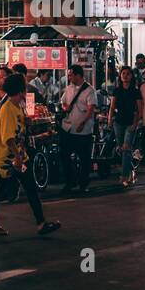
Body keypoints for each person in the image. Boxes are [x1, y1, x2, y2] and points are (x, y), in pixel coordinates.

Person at [0, 73, 60, 238]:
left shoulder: (17, 106)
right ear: (20, 90)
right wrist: (18, 158)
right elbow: (8, 138)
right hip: (6, 159)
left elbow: (18, 131)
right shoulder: (7, 109)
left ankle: (41, 223)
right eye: (24, 86)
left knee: (31, 189)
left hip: (19, 157)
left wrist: (26, 124)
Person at [59, 63, 98, 195]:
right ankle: (70, 181)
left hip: (83, 130)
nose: (69, 77)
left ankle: (83, 184)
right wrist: (65, 107)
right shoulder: (69, 88)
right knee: (64, 155)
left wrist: (83, 122)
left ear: (78, 75)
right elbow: (63, 102)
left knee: (84, 159)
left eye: (71, 75)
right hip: (68, 128)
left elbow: (91, 109)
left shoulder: (89, 90)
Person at [107, 65, 141, 187]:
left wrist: (135, 124)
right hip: (118, 122)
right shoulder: (117, 90)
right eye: (123, 74)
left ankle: (124, 176)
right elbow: (112, 107)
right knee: (122, 149)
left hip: (130, 122)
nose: (125, 76)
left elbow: (139, 110)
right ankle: (131, 170)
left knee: (126, 147)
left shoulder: (135, 92)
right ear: (120, 76)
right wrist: (110, 119)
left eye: (127, 73)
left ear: (131, 76)